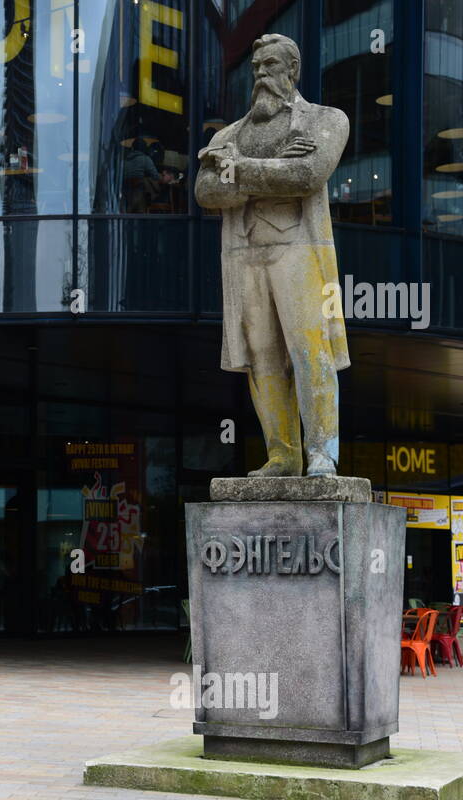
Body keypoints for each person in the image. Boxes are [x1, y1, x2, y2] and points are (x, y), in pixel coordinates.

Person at [194, 34, 351, 477]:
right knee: (262, 357)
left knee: (310, 350)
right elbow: (206, 191)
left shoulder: (325, 120)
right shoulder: (230, 132)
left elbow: (307, 175)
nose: (260, 75)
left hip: (300, 250)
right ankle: (283, 456)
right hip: (245, 254)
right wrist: (271, 169)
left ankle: (323, 452)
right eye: (256, 67)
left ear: (292, 70)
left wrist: (236, 168)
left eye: (269, 65)